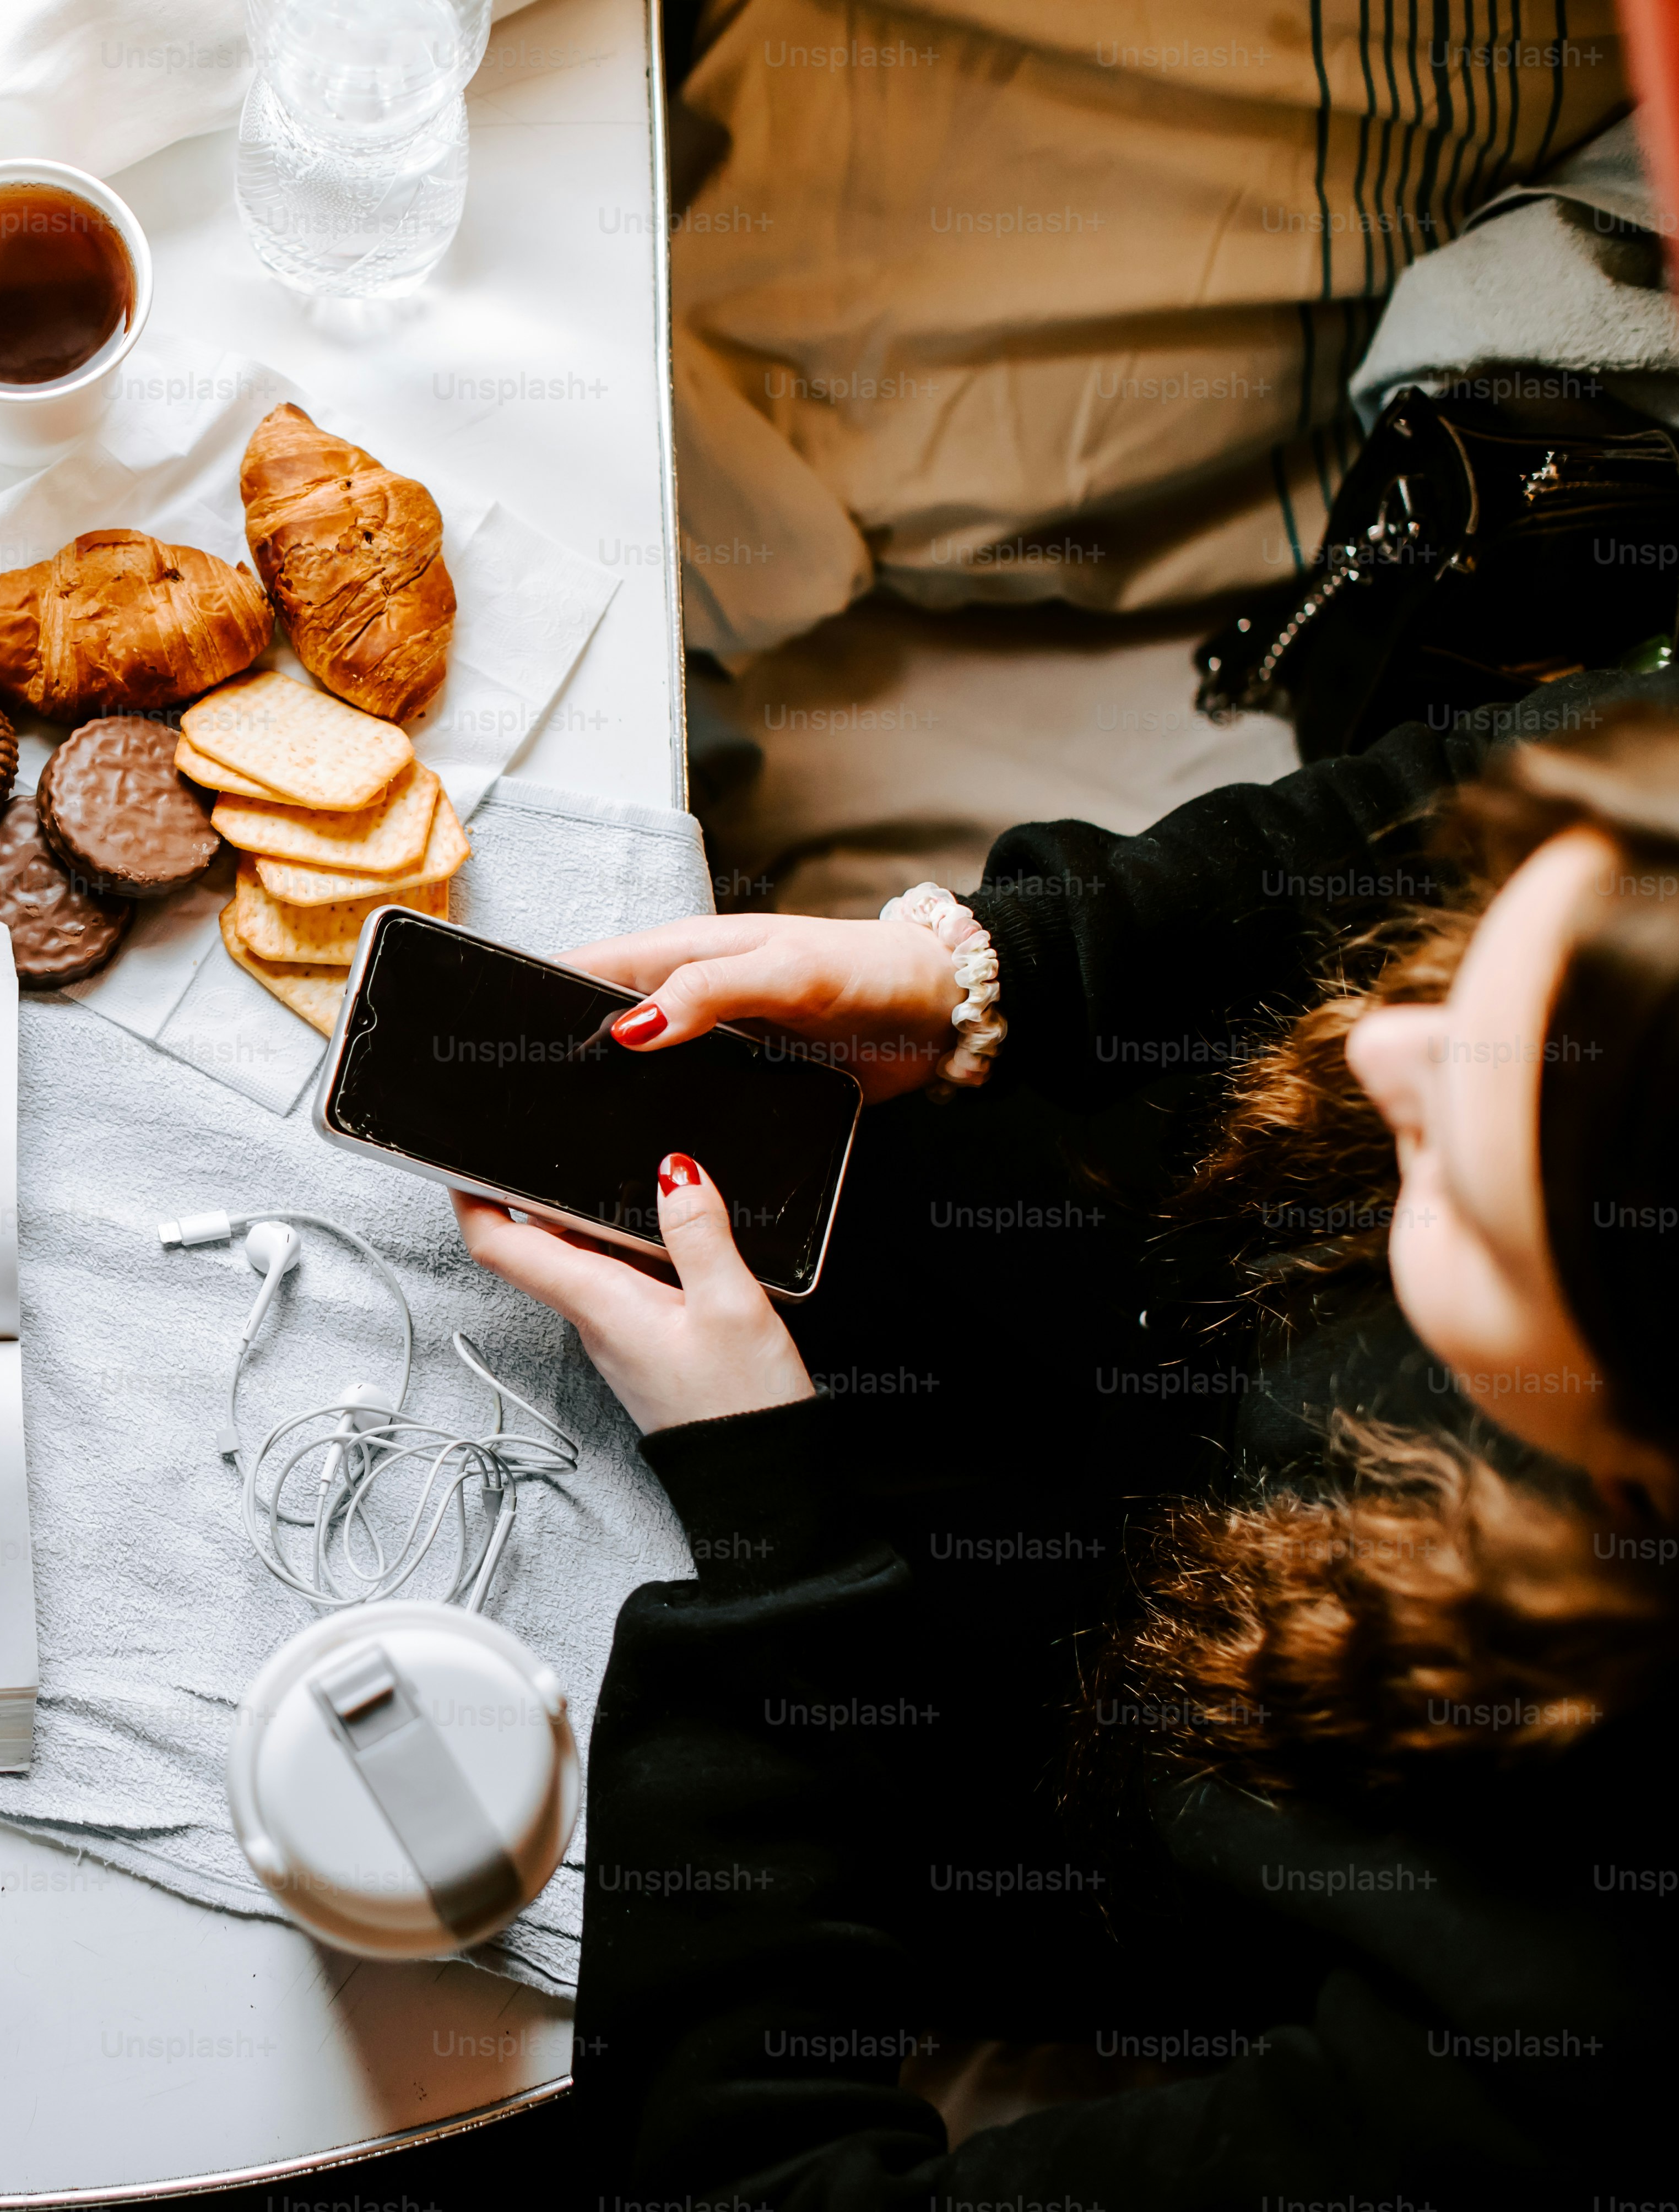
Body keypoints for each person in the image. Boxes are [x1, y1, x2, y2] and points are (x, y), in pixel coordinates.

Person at [459, 702, 1678, 2198]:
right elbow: (1429, 803)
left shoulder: (1551, 2037)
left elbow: (744, 2179)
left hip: (1011, 1784)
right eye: (1476, 958)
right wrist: (995, 970)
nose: (1381, 1046)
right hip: (1115, 1245)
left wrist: (763, 1524)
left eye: (1464, 1178)